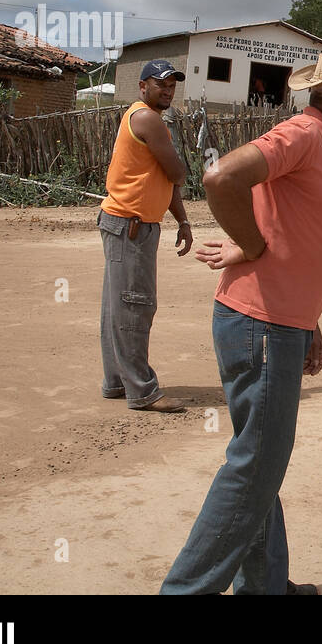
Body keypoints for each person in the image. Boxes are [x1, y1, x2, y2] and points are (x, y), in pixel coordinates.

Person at [161, 50, 322, 595]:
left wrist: (308, 320)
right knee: (254, 467)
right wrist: (250, 243)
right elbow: (220, 178)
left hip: (277, 323)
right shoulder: (304, 136)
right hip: (260, 327)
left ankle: (268, 588)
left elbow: (298, 239)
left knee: (260, 463)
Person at [96, 59, 192, 413]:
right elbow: (177, 172)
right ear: (142, 86)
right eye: (160, 84)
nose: (168, 90)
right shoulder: (147, 119)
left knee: (118, 307)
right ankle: (143, 392)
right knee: (136, 306)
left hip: (129, 225)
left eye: (172, 85)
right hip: (130, 226)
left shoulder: (149, 120)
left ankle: (116, 382)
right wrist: (179, 167)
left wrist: (182, 221)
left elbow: (167, 179)